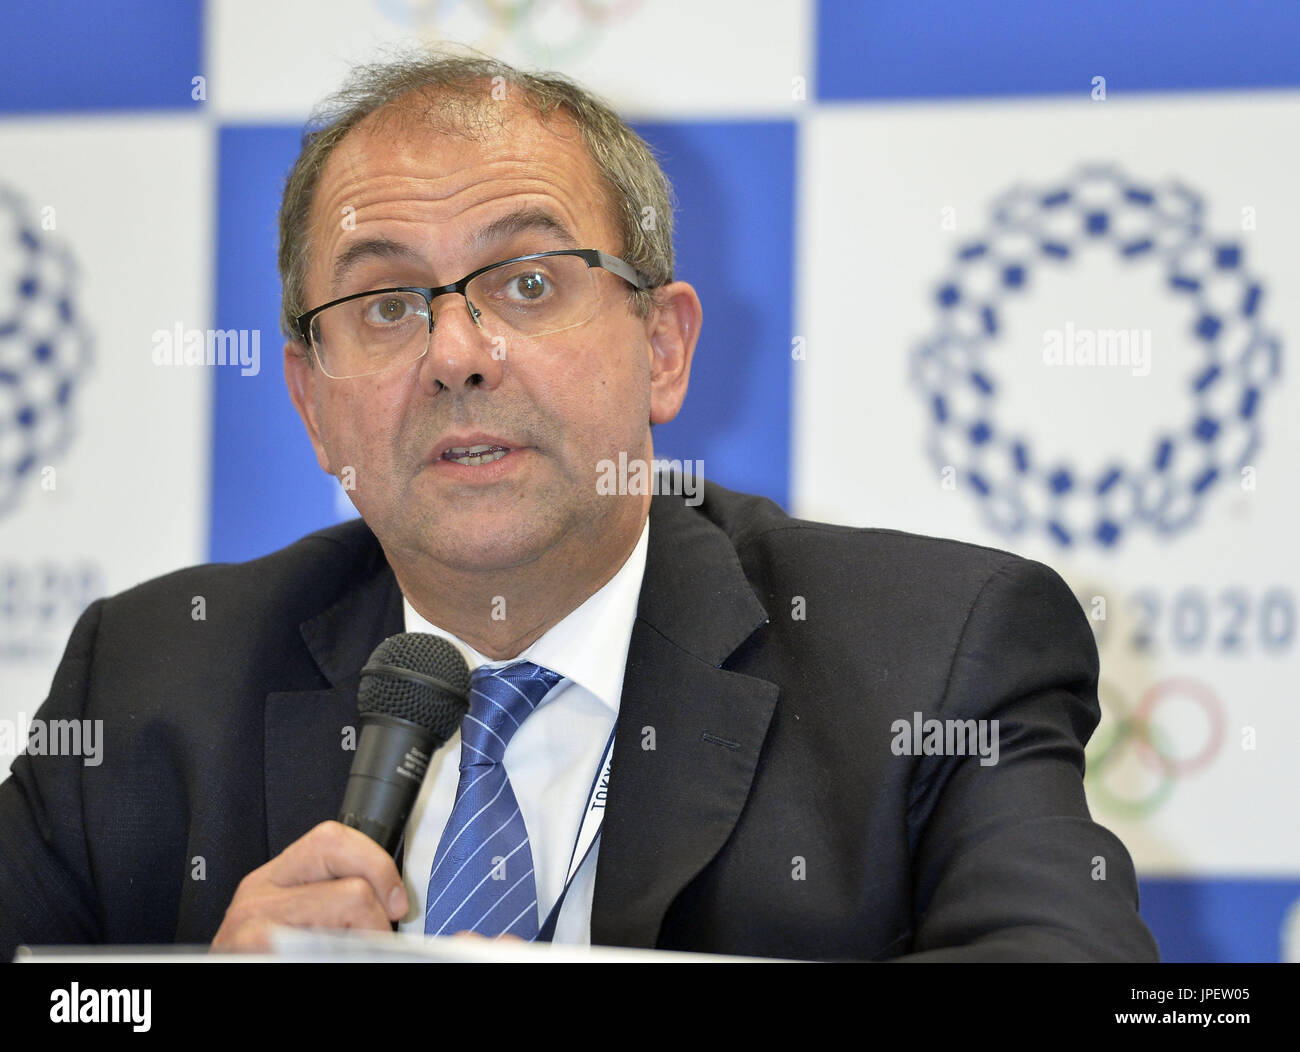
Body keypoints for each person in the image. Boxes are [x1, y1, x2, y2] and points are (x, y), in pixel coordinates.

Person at [0, 51, 1158, 962]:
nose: (455, 352)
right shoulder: (149, 681)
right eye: (387, 303)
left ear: (661, 346)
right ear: (311, 401)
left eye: (529, 281)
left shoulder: (929, 654)